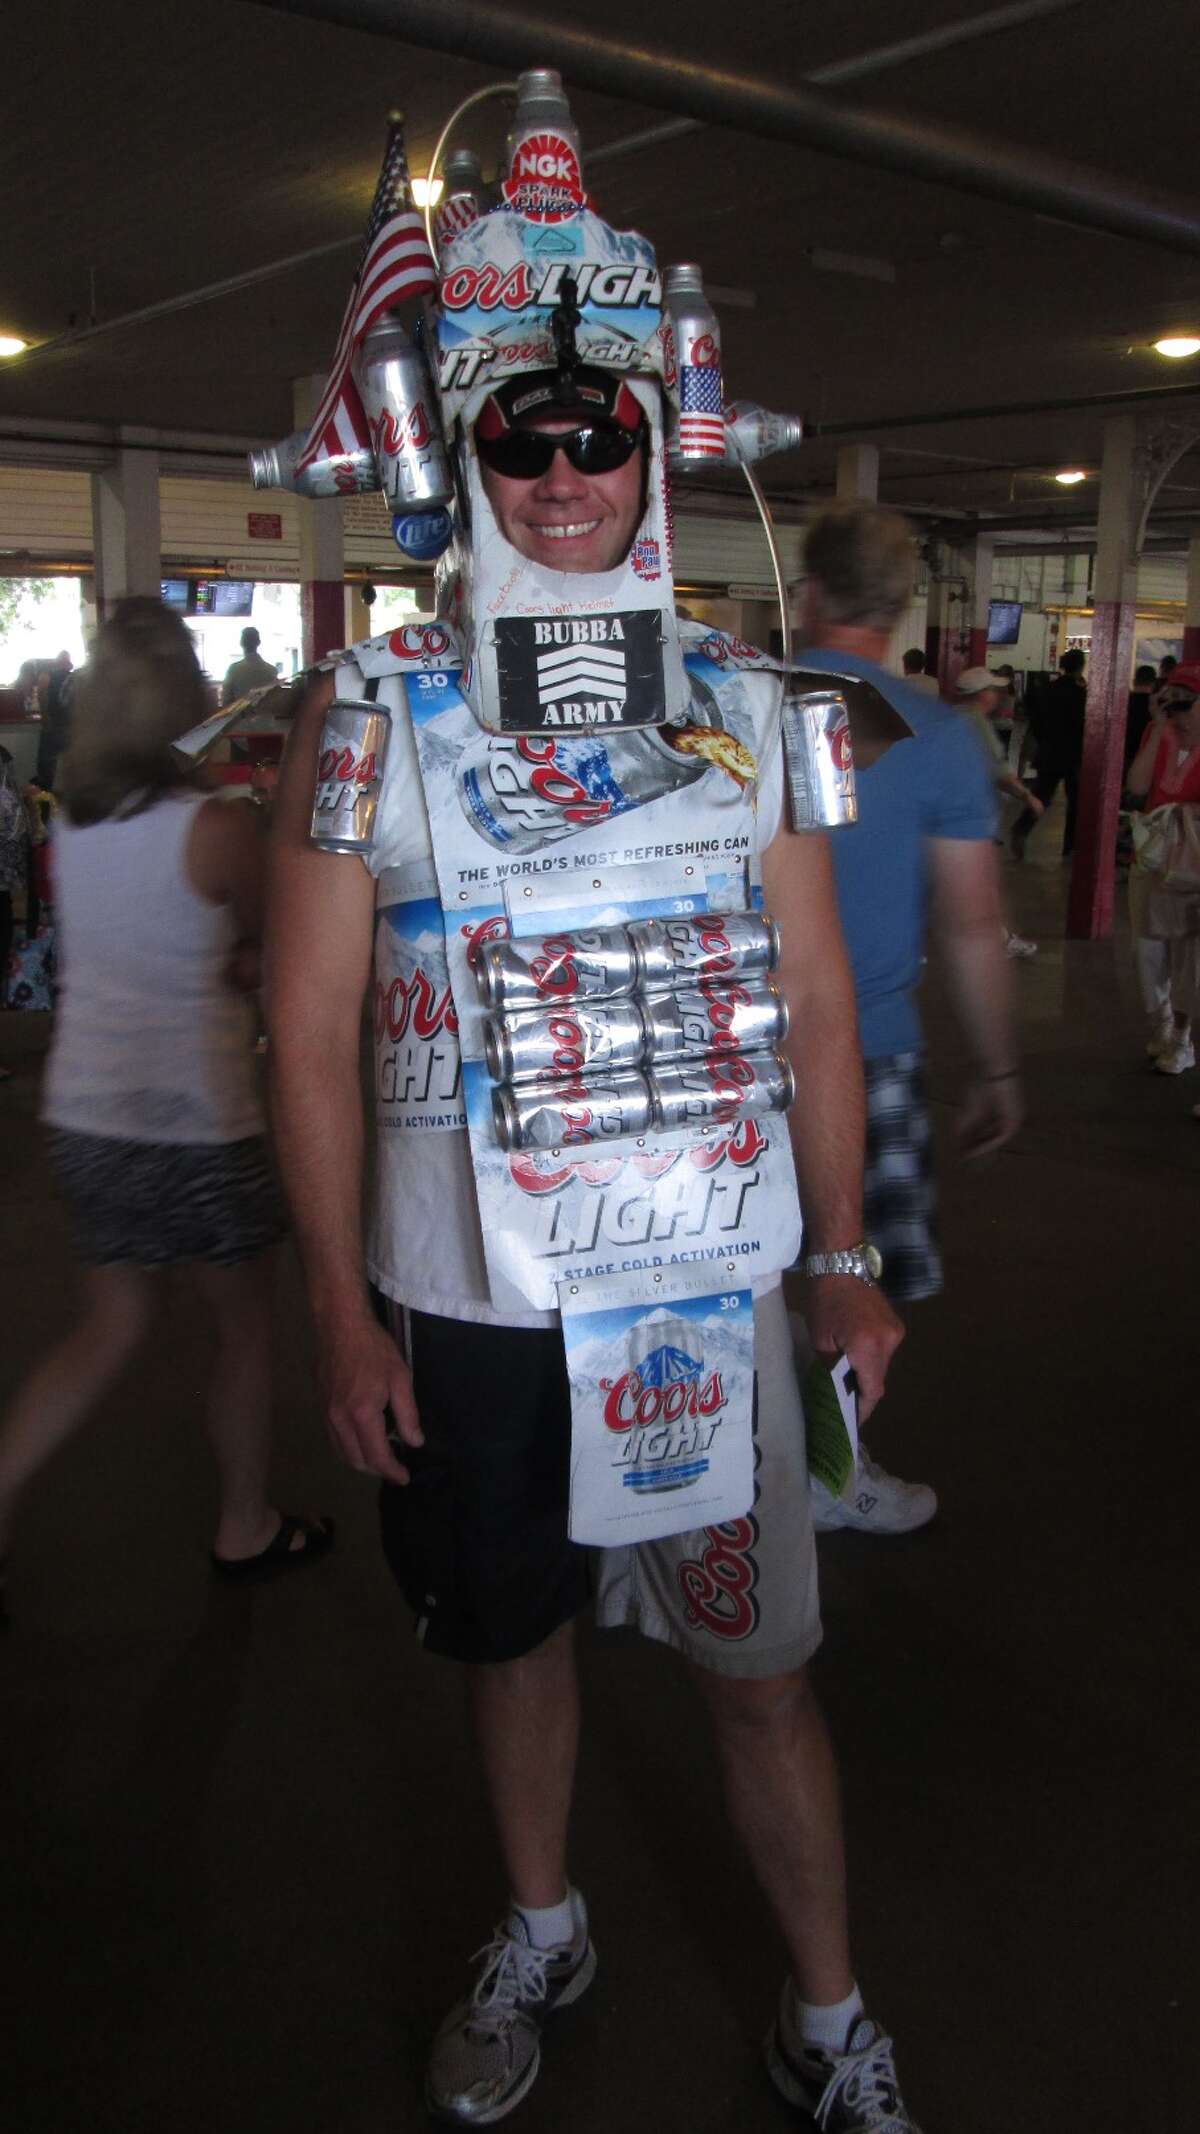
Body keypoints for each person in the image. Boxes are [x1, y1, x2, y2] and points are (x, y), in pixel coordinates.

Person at [269, 157, 923, 2131]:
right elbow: (297, 1027)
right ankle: (543, 1915)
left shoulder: (750, 707)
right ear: (470, 449)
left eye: (599, 436)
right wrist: (337, 1309)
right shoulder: (370, 714)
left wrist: (846, 1250)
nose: (562, 477)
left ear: (656, 449)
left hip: (705, 1288)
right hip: (466, 1297)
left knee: (758, 1669)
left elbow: (814, 1000)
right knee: (518, 1637)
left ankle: (828, 2010)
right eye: (523, 438)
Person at [0, 598, 331, 1621]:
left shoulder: (80, 826)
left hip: (88, 1112)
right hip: (195, 1121)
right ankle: (244, 1523)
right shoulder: (214, 829)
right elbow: (281, 938)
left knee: (110, 1324)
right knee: (241, 1328)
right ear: (188, 705)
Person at [791, 507, 1022, 1538]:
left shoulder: (735, 709)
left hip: (732, 1049)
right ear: (901, 609)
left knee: (748, 1276)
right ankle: (825, 1477)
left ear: (807, 596)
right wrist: (998, 1069)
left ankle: (730, 1464)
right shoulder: (938, 737)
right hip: (871, 1058)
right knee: (851, 1285)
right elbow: (975, 929)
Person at [1125, 661, 1200, 1078]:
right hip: (1154, 859)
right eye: (1172, 705)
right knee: (1148, 950)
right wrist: (1157, 730)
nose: (1179, 715)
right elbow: (1137, 786)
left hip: (1193, 867)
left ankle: (1184, 1038)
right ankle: (1163, 1023)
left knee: (1191, 956)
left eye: (1187, 705)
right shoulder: (1161, 733)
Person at [953, 667, 1040, 959]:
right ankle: (999, 942)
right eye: (994, 689)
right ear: (982, 694)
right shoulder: (976, 723)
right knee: (980, 884)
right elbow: (999, 773)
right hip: (969, 817)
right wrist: (1028, 796)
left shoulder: (951, 719)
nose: (998, 695)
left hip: (952, 815)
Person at [1009, 646, 1086, 858]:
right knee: (1075, 803)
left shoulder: (1048, 690)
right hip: (1073, 755)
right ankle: (1070, 848)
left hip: (1049, 752)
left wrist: (1044, 741)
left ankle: (1022, 828)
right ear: (1081, 667)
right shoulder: (1082, 695)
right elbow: (1084, 727)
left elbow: (1036, 720)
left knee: (1042, 795)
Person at [221, 625, 277, 706]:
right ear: (258, 642)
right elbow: (274, 701)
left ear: (241, 643)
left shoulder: (233, 670)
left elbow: (226, 701)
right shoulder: (272, 671)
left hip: (240, 717)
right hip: (265, 717)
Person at [1125, 664, 1157, 772]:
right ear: (1153, 683)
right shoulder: (1157, 708)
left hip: (1122, 757)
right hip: (1146, 760)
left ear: (1134, 681)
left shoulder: (1122, 703)